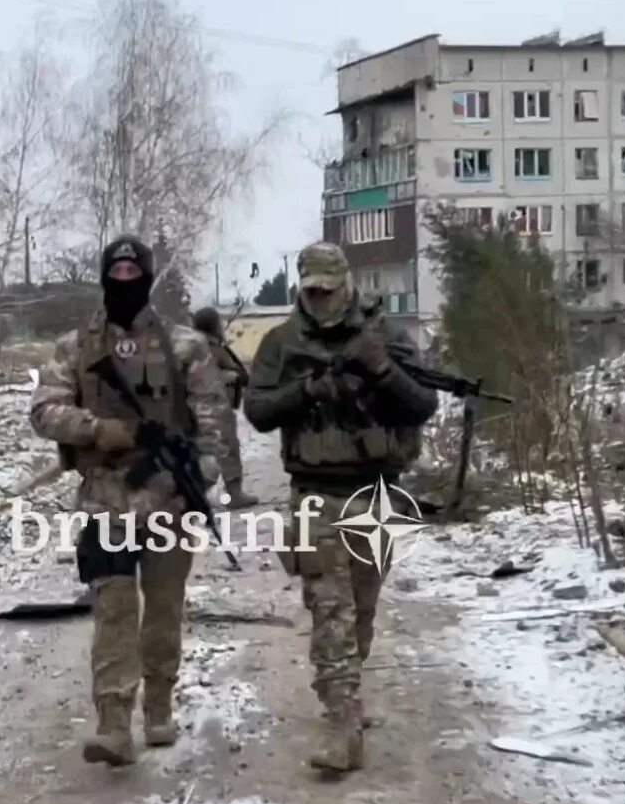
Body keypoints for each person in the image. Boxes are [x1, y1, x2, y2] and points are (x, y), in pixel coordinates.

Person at [30, 236, 229, 766]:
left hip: (168, 503)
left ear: (146, 278)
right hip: (105, 501)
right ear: (103, 278)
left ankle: (158, 706)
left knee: (163, 609)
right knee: (114, 611)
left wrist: (195, 475)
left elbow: (212, 424)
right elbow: (45, 412)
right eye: (114, 274)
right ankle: (113, 721)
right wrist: (102, 431)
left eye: (131, 274)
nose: (123, 282)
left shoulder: (185, 346)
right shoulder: (77, 348)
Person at [243, 242, 438, 774]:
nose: (321, 298)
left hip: (375, 493)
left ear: (347, 284)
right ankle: (341, 722)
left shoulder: (386, 337)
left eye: (330, 289)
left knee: (361, 609)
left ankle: (347, 695)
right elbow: (257, 409)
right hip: (312, 492)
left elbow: (423, 404)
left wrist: (380, 370)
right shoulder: (282, 342)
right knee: (329, 609)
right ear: (301, 289)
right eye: (311, 290)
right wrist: (310, 389)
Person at [190, 306, 260, 508]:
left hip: (196, 408)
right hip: (216, 407)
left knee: (203, 450)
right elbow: (234, 372)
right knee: (227, 449)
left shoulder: (192, 345)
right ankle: (234, 494)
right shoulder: (211, 347)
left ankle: (196, 493)